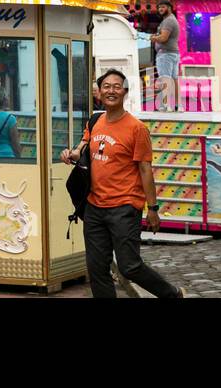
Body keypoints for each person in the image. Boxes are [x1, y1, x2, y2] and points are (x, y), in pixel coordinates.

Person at [60, 70, 183, 299]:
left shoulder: (137, 129)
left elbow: (145, 170)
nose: (111, 91)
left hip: (125, 207)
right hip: (94, 206)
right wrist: (72, 154)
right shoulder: (95, 120)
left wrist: (153, 209)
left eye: (117, 86)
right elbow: (84, 147)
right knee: (97, 269)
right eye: (106, 86)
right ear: (99, 92)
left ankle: (171, 294)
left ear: (125, 91)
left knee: (129, 266)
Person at [150, 0, 180, 111]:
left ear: (169, 8)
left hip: (166, 54)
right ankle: (177, 105)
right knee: (174, 79)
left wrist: (154, 38)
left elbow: (163, 38)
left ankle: (165, 106)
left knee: (164, 79)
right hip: (173, 53)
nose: (160, 9)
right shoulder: (171, 20)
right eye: (159, 7)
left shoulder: (168, 21)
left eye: (163, 7)